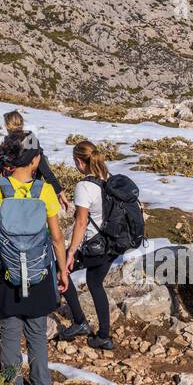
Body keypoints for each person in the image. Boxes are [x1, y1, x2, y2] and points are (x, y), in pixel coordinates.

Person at [0, 130, 69, 385]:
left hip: (6, 271)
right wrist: (62, 270)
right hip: (38, 271)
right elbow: (56, 236)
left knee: (9, 330)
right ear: (33, 161)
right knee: (36, 332)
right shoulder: (44, 191)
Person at [56, 140, 119, 350]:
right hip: (112, 243)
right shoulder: (109, 179)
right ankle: (103, 335)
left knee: (61, 269)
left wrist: (71, 251)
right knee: (95, 283)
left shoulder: (84, 186)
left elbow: (81, 222)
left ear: (79, 162)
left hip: (94, 246)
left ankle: (80, 322)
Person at [0, 110, 69, 214]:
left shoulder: (6, 146)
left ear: (6, 125)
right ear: (22, 123)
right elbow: (46, 171)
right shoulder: (32, 143)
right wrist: (59, 192)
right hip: (34, 191)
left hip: (9, 193)